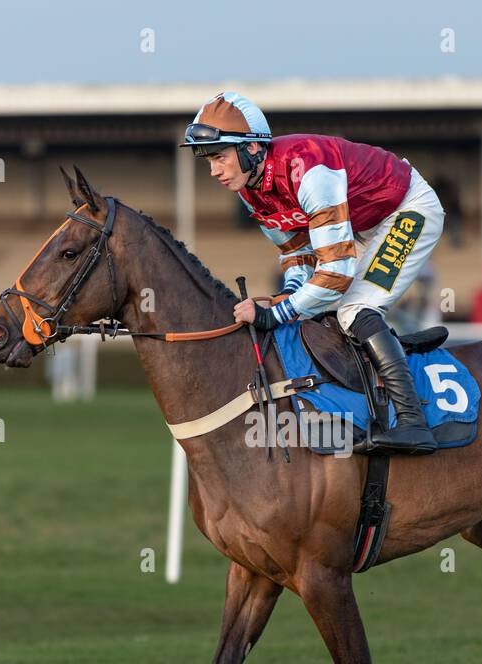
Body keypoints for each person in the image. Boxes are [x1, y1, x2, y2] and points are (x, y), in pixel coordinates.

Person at [181, 92, 441, 454]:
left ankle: (413, 422)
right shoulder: (250, 190)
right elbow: (296, 253)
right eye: (208, 160)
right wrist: (287, 296)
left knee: (353, 309)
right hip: (362, 226)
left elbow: (335, 272)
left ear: (252, 149)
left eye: (219, 157)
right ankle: (381, 370)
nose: (213, 170)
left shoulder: (309, 169)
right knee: (326, 310)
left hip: (407, 209)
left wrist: (276, 314)